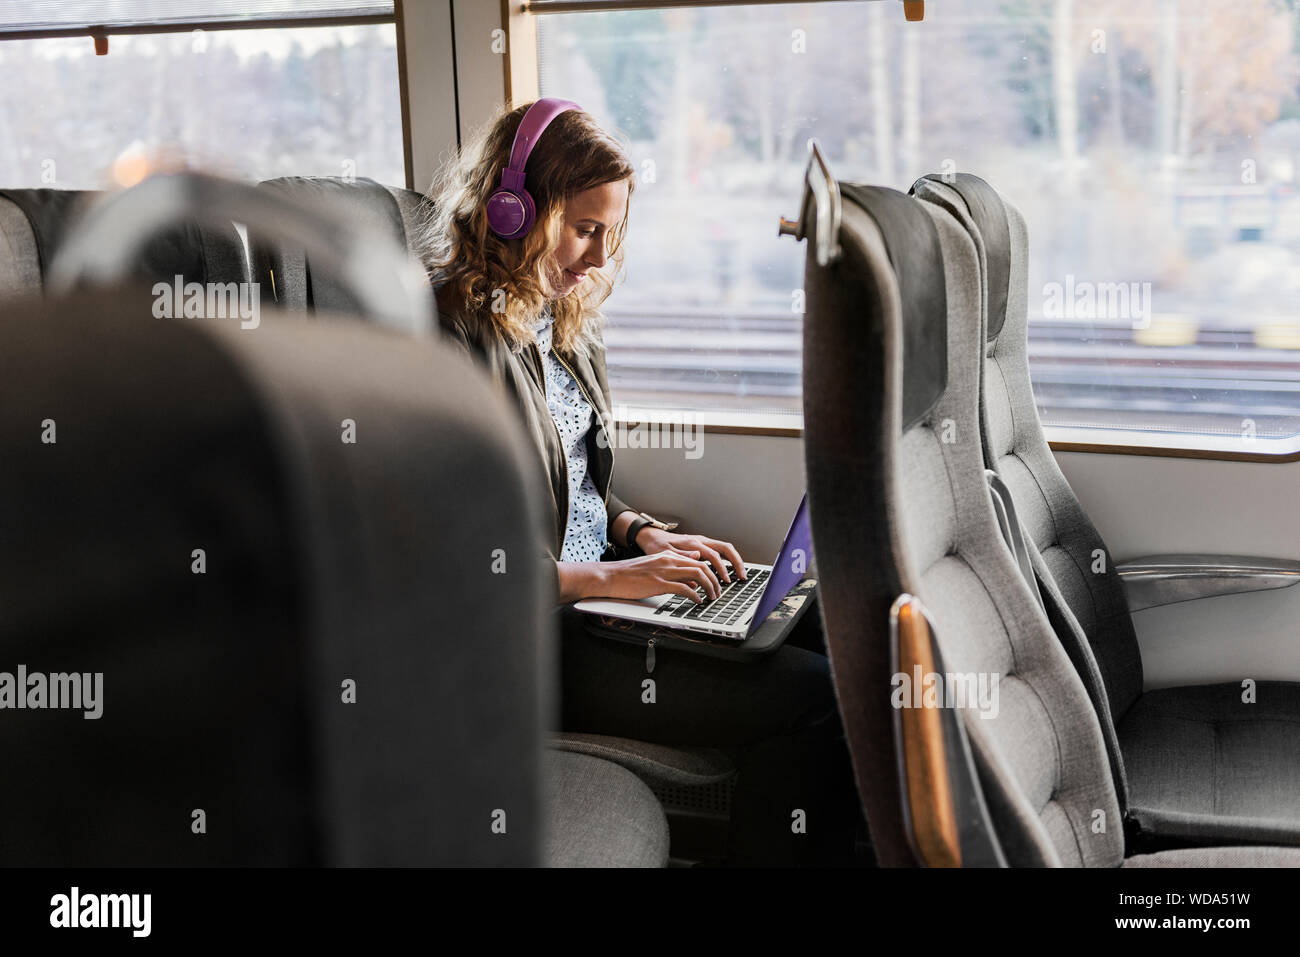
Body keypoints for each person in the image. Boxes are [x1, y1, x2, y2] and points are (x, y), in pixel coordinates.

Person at [413, 97, 861, 866]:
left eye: (607, 234)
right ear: (516, 209)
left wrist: (638, 533)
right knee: (817, 699)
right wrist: (619, 581)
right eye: (585, 229)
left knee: (837, 632)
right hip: (541, 637)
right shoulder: (453, 333)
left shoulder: (557, 325)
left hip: (600, 596)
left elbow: (573, 483)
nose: (596, 258)